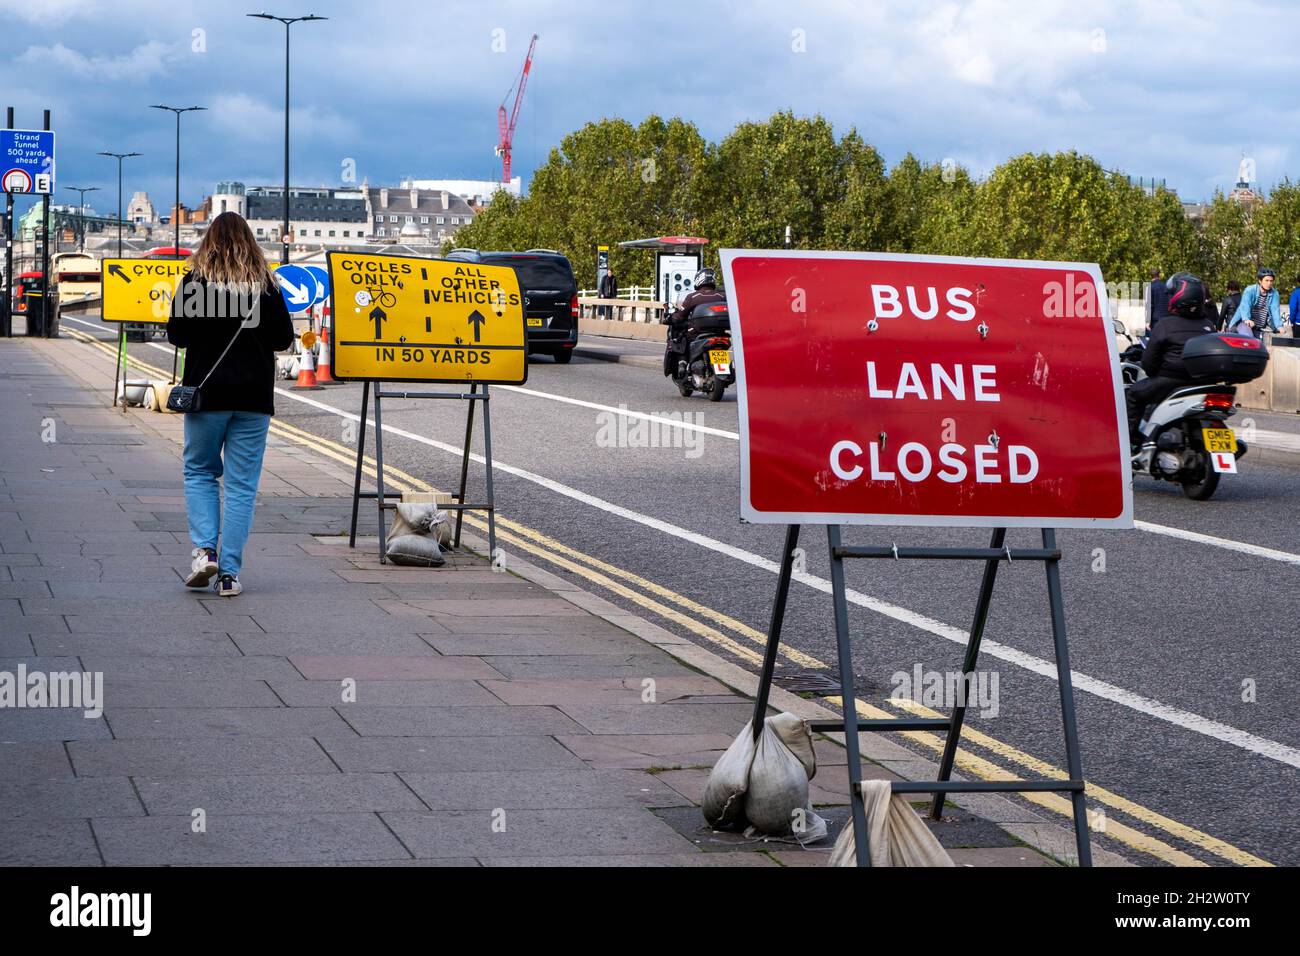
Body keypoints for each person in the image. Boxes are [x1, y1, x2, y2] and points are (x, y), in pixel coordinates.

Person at [167, 212, 294, 596]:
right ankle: (229, 575)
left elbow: (177, 335)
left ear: (209, 241)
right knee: (241, 486)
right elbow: (283, 339)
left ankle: (206, 551)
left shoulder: (195, 282)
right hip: (254, 399)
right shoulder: (265, 285)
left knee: (200, 472)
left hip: (207, 397)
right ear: (250, 243)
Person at [1126, 272, 1216, 448]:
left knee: (1132, 394)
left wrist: (1154, 370)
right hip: (1201, 382)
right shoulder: (1208, 326)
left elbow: (1149, 364)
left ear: (1178, 297)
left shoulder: (1166, 325)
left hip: (1171, 380)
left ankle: (1131, 443)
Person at [662, 268, 725, 375]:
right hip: (720, 333)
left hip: (696, 333)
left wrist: (671, 317)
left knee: (681, 337)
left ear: (699, 280)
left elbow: (680, 316)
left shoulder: (693, 297)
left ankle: (683, 363)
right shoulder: (722, 296)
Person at [1228, 267, 1282, 338]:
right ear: (1260, 281)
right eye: (1267, 280)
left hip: (1259, 326)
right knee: (1248, 339)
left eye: (1271, 281)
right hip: (1243, 322)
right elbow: (1245, 306)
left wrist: (1279, 326)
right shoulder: (1250, 290)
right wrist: (1247, 319)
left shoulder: (1274, 293)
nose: (1269, 283)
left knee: (1261, 345)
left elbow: (1275, 311)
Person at [1289, 275, 1300, 339]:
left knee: (1297, 348)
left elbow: (1293, 308)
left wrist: (1292, 321)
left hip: (1298, 324)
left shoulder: (1296, 292)